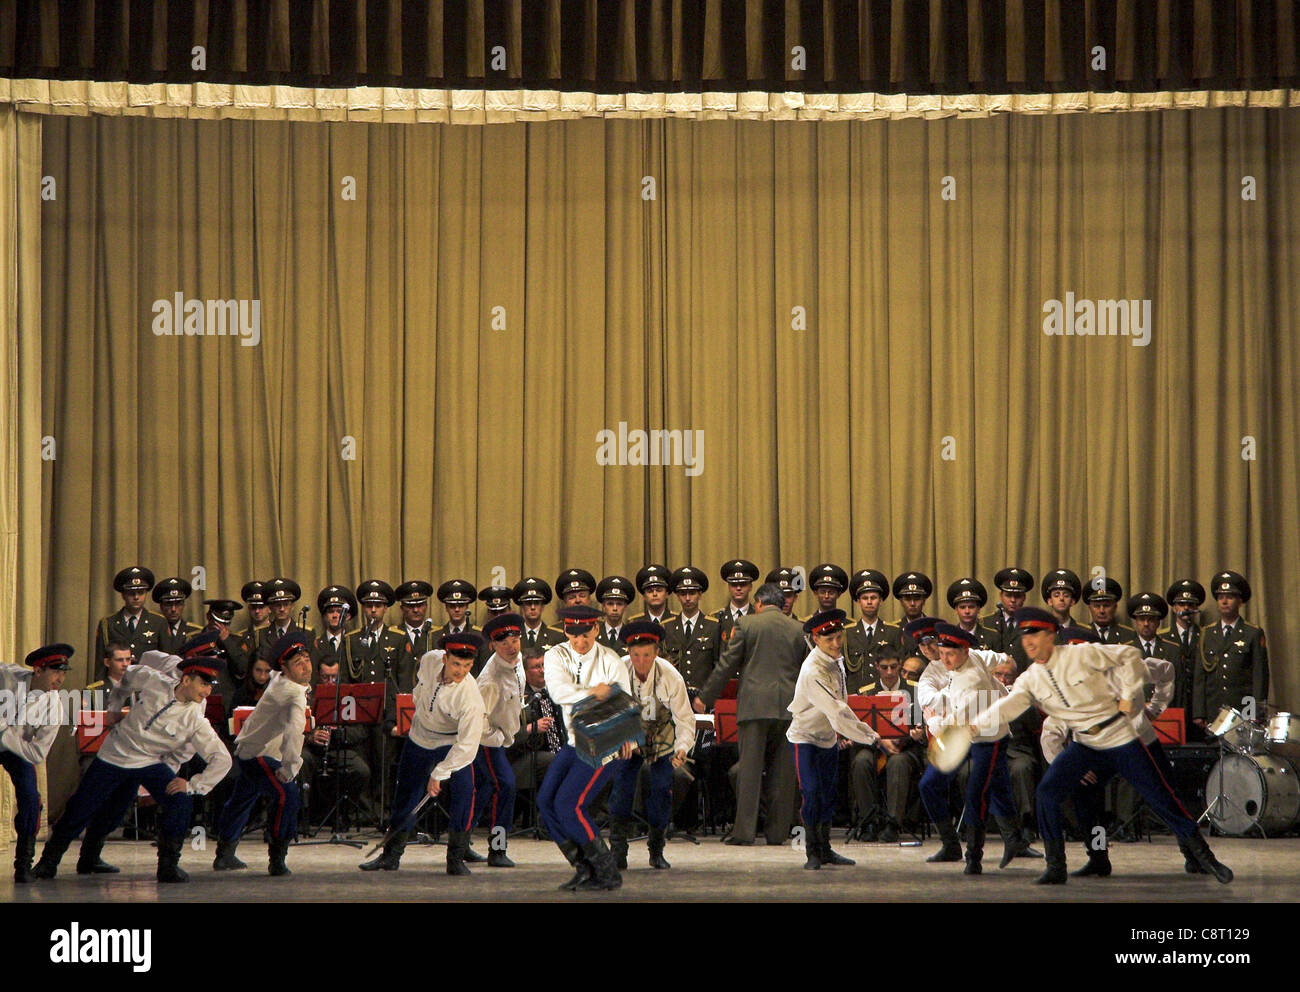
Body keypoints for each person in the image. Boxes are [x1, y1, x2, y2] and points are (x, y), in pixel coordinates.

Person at [972, 607, 1232, 884]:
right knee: (1048, 793)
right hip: (1085, 744)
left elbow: (1131, 656)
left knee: (1160, 797)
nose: (1030, 643)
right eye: (1025, 639)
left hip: (1122, 737)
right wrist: (976, 724)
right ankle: (1064, 865)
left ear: (1050, 635)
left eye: (1035, 636)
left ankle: (1204, 858)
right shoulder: (1030, 678)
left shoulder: (1081, 654)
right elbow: (1013, 708)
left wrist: (1133, 698)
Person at [32, 651, 232, 883]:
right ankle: (52, 863)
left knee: (180, 801)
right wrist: (114, 707)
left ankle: (168, 866)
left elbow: (222, 759)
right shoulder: (154, 680)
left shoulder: (196, 719)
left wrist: (194, 785)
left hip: (148, 762)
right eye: (204, 684)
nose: (207, 692)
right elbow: (127, 678)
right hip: (114, 754)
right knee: (83, 809)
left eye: (210, 686)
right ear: (186, 680)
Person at [359, 631, 487, 876]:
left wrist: (440, 772)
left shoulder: (471, 698)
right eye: (456, 664)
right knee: (405, 796)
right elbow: (419, 686)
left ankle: (456, 858)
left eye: (468, 665)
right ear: (444, 658)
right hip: (419, 738)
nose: (461, 671)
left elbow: (467, 746)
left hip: (452, 745)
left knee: (464, 793)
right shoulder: (430, 659)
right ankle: (391, 856)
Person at [917, 623, 1039, 874]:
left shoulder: (969, 683)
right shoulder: (975, 656)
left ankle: (974, 856)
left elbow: (956, 722)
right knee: (932, 784)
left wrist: (932, 719)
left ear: (964, 650)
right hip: (966, 735)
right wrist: (1004, 660)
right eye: (942, 653)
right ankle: (955, 844)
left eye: (950, 654)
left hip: (987, 736)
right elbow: (997, 656)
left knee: (977, 793)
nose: (944, 659)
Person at [695, 583, 805, 847]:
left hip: (755, 707)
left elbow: (726, 666)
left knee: (750, 771)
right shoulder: (798, 629)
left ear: (758, 603)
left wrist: (704, 698)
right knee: (783, 774)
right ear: (781, 605)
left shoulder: (747, 625)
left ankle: (744, 832)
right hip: (789, 708)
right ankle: (778, 833)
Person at [538, 605, 632, 891]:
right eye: (573, 634)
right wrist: (594, 692)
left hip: (605, 740)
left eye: (586, 634)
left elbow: (622, 699)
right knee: (546, 801)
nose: (580, 641)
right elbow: (558, 691)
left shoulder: (610, 659)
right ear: (566, 630)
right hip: (573, 741)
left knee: (569, 804)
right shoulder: (556, 654)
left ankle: (607, 871)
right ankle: (583, 865)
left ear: (596, 629)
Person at [786, 610, 882, 869]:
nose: (837, 644)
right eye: (830, 640)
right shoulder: (812, 670)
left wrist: (842, 733)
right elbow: (836, 710)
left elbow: (843, 700)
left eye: (839, 637)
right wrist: (869, 736)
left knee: (827, 794)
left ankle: (826, 848)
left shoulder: (835, 661)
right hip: (805, 738)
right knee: (811, 793)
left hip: (827, 737)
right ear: (815, 639)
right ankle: (812, 852)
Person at [213, 631, 313, 876]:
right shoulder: (293, 692)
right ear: (285, 669)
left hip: (250, 750)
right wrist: (289, 769)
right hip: (259, 754)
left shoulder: (280, 680)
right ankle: (277, 858)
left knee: (240, 801)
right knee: (287, 795)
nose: (305, 666)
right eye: (297, 663)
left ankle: (224, 854)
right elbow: (294, 733)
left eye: (307, 659)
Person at [607, 621, 696, 870]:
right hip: (628, 738)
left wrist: (682, 748)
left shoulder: (671, 677)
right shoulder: (618, 673)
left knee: (660, 791)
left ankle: (656, 849)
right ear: (628, 652)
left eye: (647, 655)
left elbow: (685, 719)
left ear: (656, 653)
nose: (641, 661)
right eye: (635, 655)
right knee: (621, 791)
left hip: (662, 739)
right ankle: (618, 851)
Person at [2, 645, 74, 882]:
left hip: (17, 749)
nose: (60, 679)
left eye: (64, 673)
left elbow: (37, 753)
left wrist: (4, 734)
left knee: (32, 799)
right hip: (15, 742)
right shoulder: (7, 676)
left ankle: (23, 863)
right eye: (55, 672)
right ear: (38, 670)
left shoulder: (54, 706)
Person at [848, 648, 926, 842]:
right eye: (884, 668)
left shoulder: (915, 690)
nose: (889, 672)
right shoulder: (866, 692)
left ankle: (893, 823)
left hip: (905, 749)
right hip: (874, 747)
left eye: (893, 667)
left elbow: (922, 723)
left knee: (898, 763)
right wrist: (879, 740)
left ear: (900, 665)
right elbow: (858, 727)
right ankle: (868, 821)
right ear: (876, 667)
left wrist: (916, 733)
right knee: (860, 761)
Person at [470, 613, 527, 867]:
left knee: (480, 791)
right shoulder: (489, 680)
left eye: (515, 639)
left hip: (504, 735)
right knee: (505, 786)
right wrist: (500, 738)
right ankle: (497, 849)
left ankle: (459, 843)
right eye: (504, 643)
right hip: (486, 741)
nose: (511, 646)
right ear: (493, 645)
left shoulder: (517, 661)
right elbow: (479, 724)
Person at [1193, 570, 1268, 731]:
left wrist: (1257, 711)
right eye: (1220, 597)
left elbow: (1259, 675)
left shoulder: (1252, 633)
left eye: (1230, 597)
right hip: (1214, 709)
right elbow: (1200, 677)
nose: (1224, 601)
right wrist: (1199, 712)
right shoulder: (1207, 633)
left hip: (1243, 708)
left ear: (1240, 601)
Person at [508, 646, 565, 802]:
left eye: (544, 665)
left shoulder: (555, 691)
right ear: (525, 672)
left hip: (554, 751)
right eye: (536, 667)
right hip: (522, 757)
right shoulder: (517, 696)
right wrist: (532, 728)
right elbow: (506, 738)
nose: (542, 670)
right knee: (555, 761)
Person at [661, 566, 721, 692]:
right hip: (674, 695)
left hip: (703, 696)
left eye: (692, 593)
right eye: (683, 593)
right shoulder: (667, 627)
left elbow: (718, 666)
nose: (687, 598)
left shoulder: (713, 626)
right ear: (677, 596)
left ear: (700, 595)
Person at [96, 566, 167, 667]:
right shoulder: (108, 623)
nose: (136, 597)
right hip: (118, 681)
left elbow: (166, 661)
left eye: (141, 592)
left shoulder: (158, 622)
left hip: (149, 681)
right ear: (123, 595)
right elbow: (101, 663)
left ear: (146, 594)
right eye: (131, 593)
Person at [843, 569, 903, 683]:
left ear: (880, 601)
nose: (869, 602)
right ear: (858, 601)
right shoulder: (847, 633)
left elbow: (900, 666)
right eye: (865, 598)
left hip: (884, 693)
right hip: (855, 695)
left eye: (873, 598)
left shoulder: (893, 632)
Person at [714, 559, 760, 646]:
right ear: (728, 587)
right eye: (734, 584)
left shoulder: (759, 617)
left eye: (743, 584)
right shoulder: (717, 619)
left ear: (750, 587)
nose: (738, 588)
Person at [513, 577, 565, 650]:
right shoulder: (513, 636)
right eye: (528, 603)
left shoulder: (557, 636)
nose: (533, 607)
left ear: (543, 606)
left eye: (537, 603)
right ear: (522, 607)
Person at [154, 577, 202, 654]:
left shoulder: (195, 632)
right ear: (161, 606)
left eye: (178, 604)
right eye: (168, 604)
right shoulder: (154, 630)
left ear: (183, 605)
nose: (173, 609)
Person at [1084, 577, 1137, 644]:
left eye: (1106, 606)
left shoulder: (1128, 635)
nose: (1101, 611)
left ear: (1115, 607)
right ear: (1090, 608)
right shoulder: (1082, 634)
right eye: (1097, 606)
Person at [595, 574, 635, 649]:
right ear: (603, 606)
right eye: (610, 604)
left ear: (625, 607)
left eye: (619, 604)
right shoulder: (594, 634)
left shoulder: (632, 636)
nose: (615, 608)